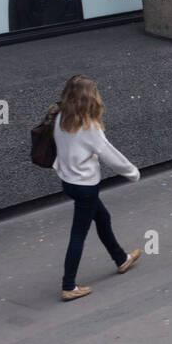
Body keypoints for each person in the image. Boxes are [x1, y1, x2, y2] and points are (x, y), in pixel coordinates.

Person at [51, 75, 142, 301]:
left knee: (103, 218)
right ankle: (69, 285)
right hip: (85, 186)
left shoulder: (60, 117)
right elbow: (109, 153)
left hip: (69, 182)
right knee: (78, 235)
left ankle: (121, 259)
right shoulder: (88, 126)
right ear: (90, 98)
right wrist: (132, 172)